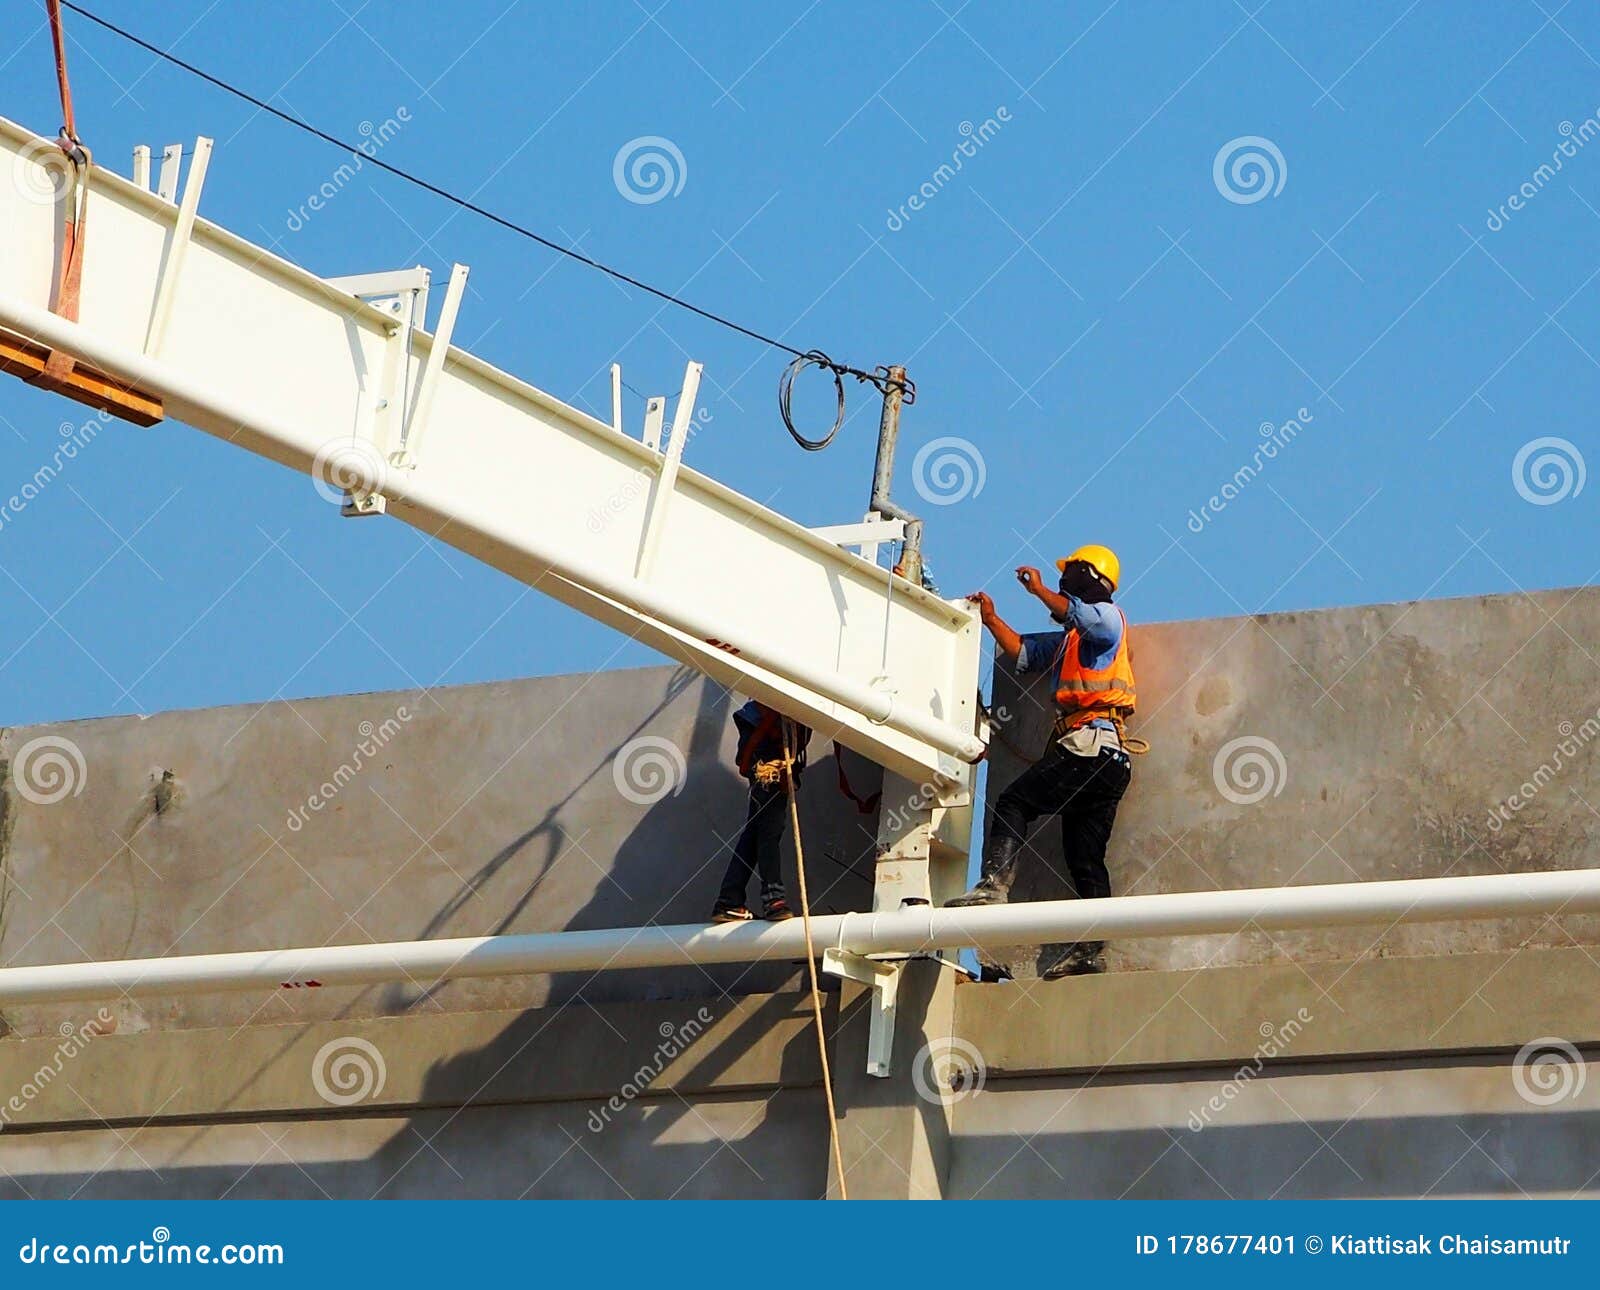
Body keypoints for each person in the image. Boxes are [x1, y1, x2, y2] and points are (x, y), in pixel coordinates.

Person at [947, 544, 1135, 978]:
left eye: (1071, 574)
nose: (1064, 580)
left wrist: (1040, 591)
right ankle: (1091, 950)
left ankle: (993, 887)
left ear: (1090, 577)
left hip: (1089, 747)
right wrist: (992, 619)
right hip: (1109, 760)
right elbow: (1024, 654)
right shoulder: (1073, 642)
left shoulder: (1108, 619)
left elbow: (1082, 616)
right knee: (1084, 857)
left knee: (1015, 801)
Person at [711, 700, 811, 923]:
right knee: (769, 830)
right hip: (769, 755)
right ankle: (773, 899)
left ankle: (730, 899)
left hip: (764, 746)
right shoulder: (775, 707)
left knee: (757, 830)